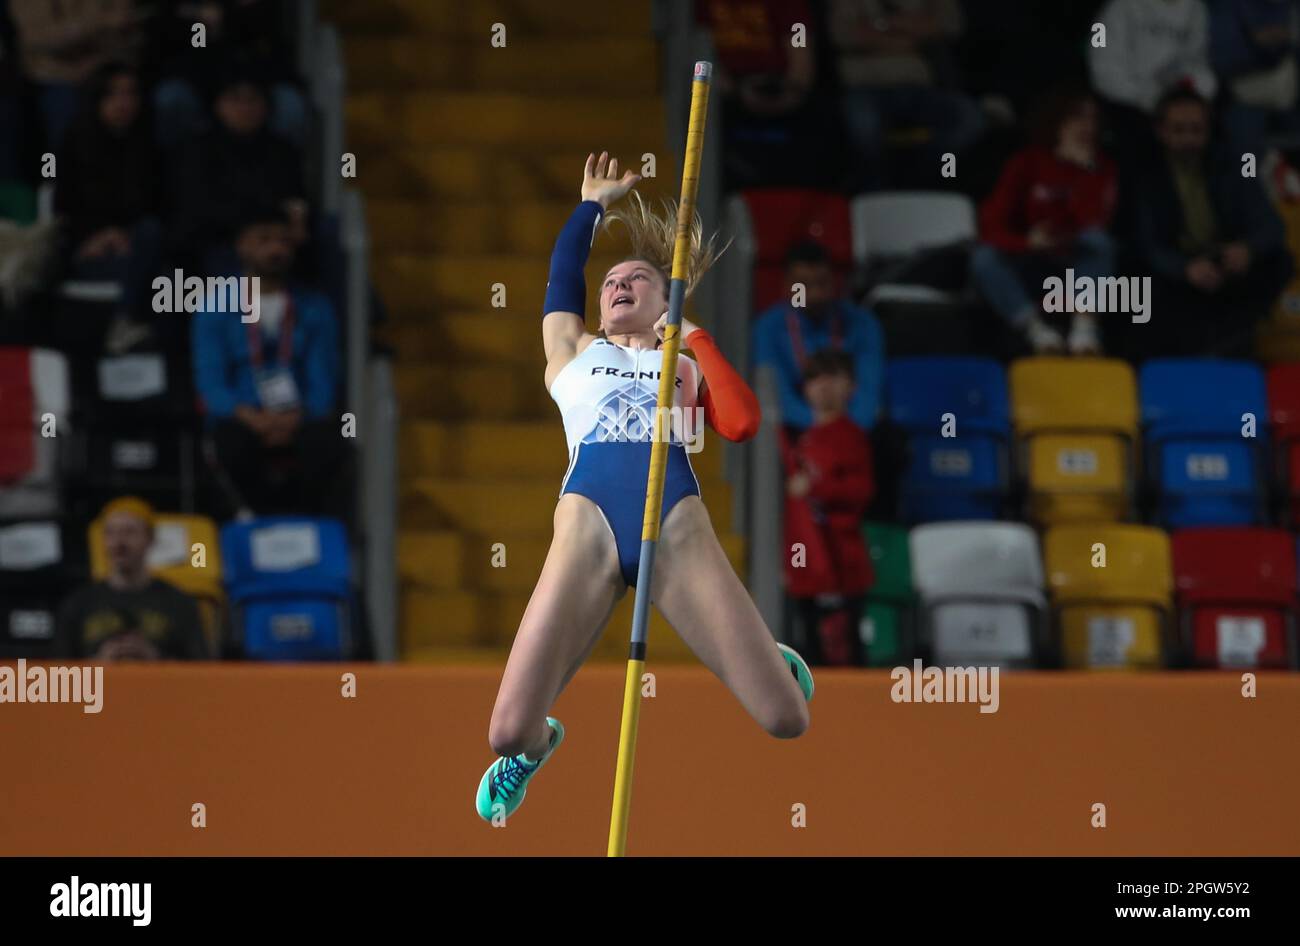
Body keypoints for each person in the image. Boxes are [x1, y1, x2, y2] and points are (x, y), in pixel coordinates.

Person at [475, 153, 814, 823]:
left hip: (677, 531)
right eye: (613, 281)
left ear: (668, 299)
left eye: (641, 279)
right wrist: (590, 208)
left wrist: (692, 336)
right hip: (586, 536)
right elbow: (563, 278)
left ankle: (756, 645)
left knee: (785, 718)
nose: (621, 283)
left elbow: (743, 424)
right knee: (507, 730)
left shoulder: (684, 364)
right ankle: (540, 748)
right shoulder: (573, 353)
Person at [193, 207, 354, 525]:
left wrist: (296, 417)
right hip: (241, 416)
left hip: (299, 415)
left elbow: (323, 377)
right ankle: (259, 521)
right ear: (243, 246)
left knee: (328, 445)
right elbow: (210, 380)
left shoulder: (315, 306)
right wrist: (253, 418)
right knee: (231, 446)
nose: (276, 249)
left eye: (283, 241)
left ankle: (304, 522)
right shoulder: (215, 303)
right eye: (264, 240)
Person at [1129, 86, 1292, 357]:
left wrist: (1247, 249)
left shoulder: (1232, 163)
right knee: (1137, 275)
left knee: (1279, 261)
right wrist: (1184, 268)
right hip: (1177, 271)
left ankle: (1235, 345)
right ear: (1161, 131)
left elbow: (1272, 226)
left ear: (1208, 130)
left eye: (1196, 129)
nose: (1189, 138)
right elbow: (1144, 243)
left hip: (1225, 264)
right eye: (1179, 130)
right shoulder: (1144, 172)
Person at [970, 89, 1119, 355]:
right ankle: (1036, 331)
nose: (1086, 126)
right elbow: (991, 225)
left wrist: (1084, 173)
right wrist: (1027, 241)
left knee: (1098, 242)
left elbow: (1094, 222)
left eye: (1092, 119)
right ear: (1056, 121)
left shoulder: (1101, 168)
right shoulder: (1025, 163)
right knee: (984, 259)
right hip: (1030, 260)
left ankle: (1084, 329)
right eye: (1077, 117)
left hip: (1075, 264)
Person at [53, 63, 164, 342]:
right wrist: (98, 236)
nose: (123, 103)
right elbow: (63, 208)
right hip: (92, 249)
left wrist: (125, 234)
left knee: (164, 258)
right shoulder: (74, 142)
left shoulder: (150, 144)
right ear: (97, 99)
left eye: (130, 94)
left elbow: (161, 204)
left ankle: (127, 324)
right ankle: (123, 324)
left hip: (139, 246)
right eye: (113, 95)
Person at [828, 0, 985, 190]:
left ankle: (926, 186)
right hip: (865, 88)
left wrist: (879, 25)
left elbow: (951, 24)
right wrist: (909, 31)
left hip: (924, 89)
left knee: (968, 118)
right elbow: (842, 34)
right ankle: (875, 193)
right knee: (863, 124)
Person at [780, 349, 874, 667]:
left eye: (832, 377)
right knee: (810, 651)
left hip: (842, 560)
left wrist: (816, 488)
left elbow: (861, 491)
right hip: (808, 563)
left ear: (850, 386)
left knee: (847, 650)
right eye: (815, 378)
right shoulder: (803, 440)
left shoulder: (852, 437)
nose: (824, 386)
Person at [167, 63, 307, 274]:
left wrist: (296, 219)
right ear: (217, 105)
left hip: (275, 241)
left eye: (253, 100)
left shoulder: (282, 150)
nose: (245, 108)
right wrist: (252, 227)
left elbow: (295, 200)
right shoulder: (195, 150)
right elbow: (196, 208)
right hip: (215, 243)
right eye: (235, 99)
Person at [751, 239, 884, 431]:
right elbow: (776, 396)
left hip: (853, 433)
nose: (813, 294)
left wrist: (843, 431)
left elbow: (869, 395)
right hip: (792, 434)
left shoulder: (863, 324)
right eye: (802, 285)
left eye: (822, 283)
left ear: (835, 281)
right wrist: (823, 428)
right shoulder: (767, 328)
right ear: (787, 285)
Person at [55, 497, 208, 660]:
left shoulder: (180, 605)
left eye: (129, 532)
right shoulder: (77, 605)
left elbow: (203, 673)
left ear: (150, 539)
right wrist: (99, 664)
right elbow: (56, 677)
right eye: (111, 533)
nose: (119, 543)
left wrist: (155, 660)